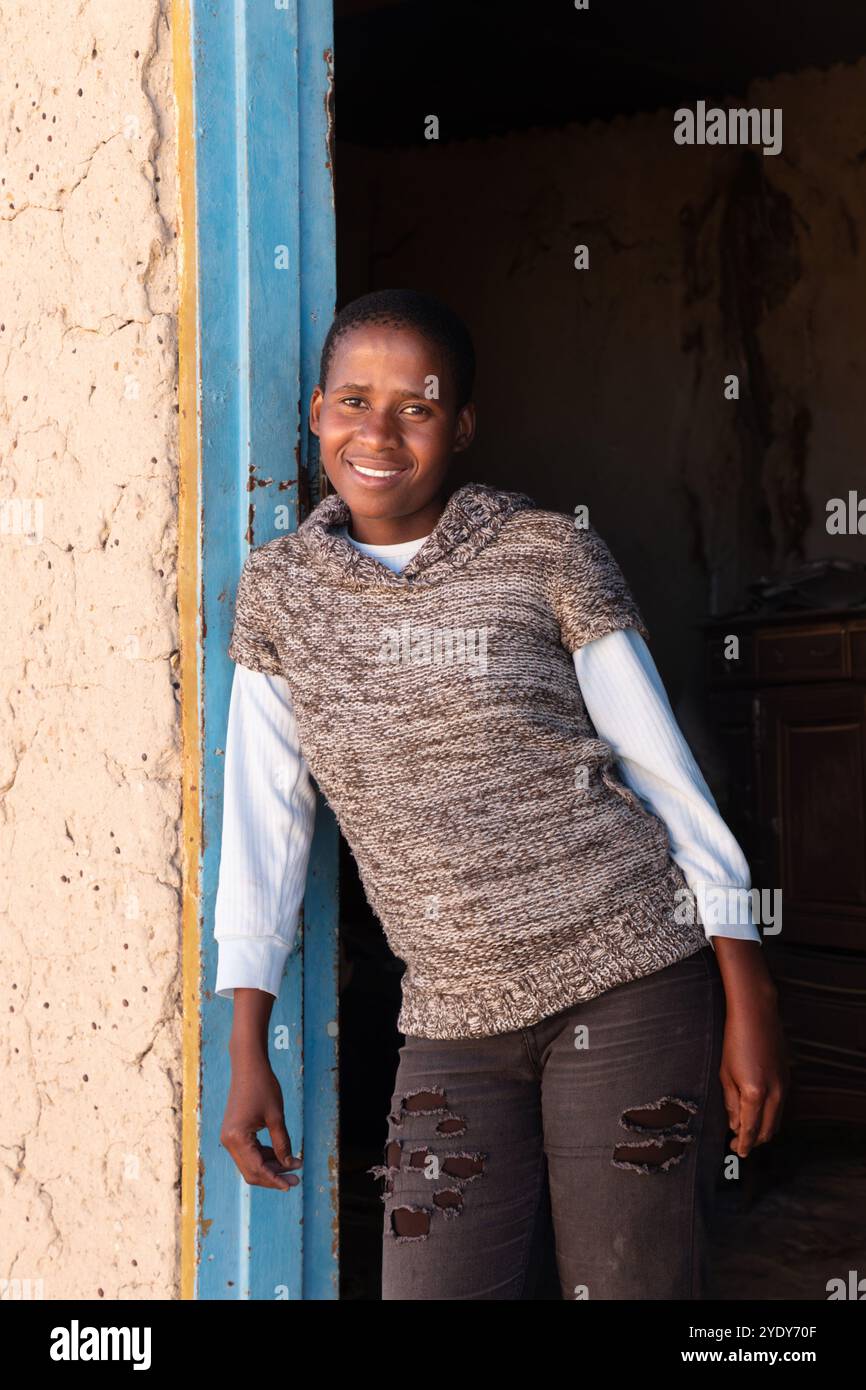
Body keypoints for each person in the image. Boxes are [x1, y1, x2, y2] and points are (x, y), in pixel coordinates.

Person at [215, 287, 788, 1300]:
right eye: (352, 400)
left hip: (628, 974)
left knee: (626, 1286)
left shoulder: (546, 553)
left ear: (461, 425)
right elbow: (267, 823)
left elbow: (663, 776)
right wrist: (246, 1042)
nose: (377, 432)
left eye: (416, 406)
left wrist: (749, 993)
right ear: (314, 414)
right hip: (448, 1016)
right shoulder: (280, 594)